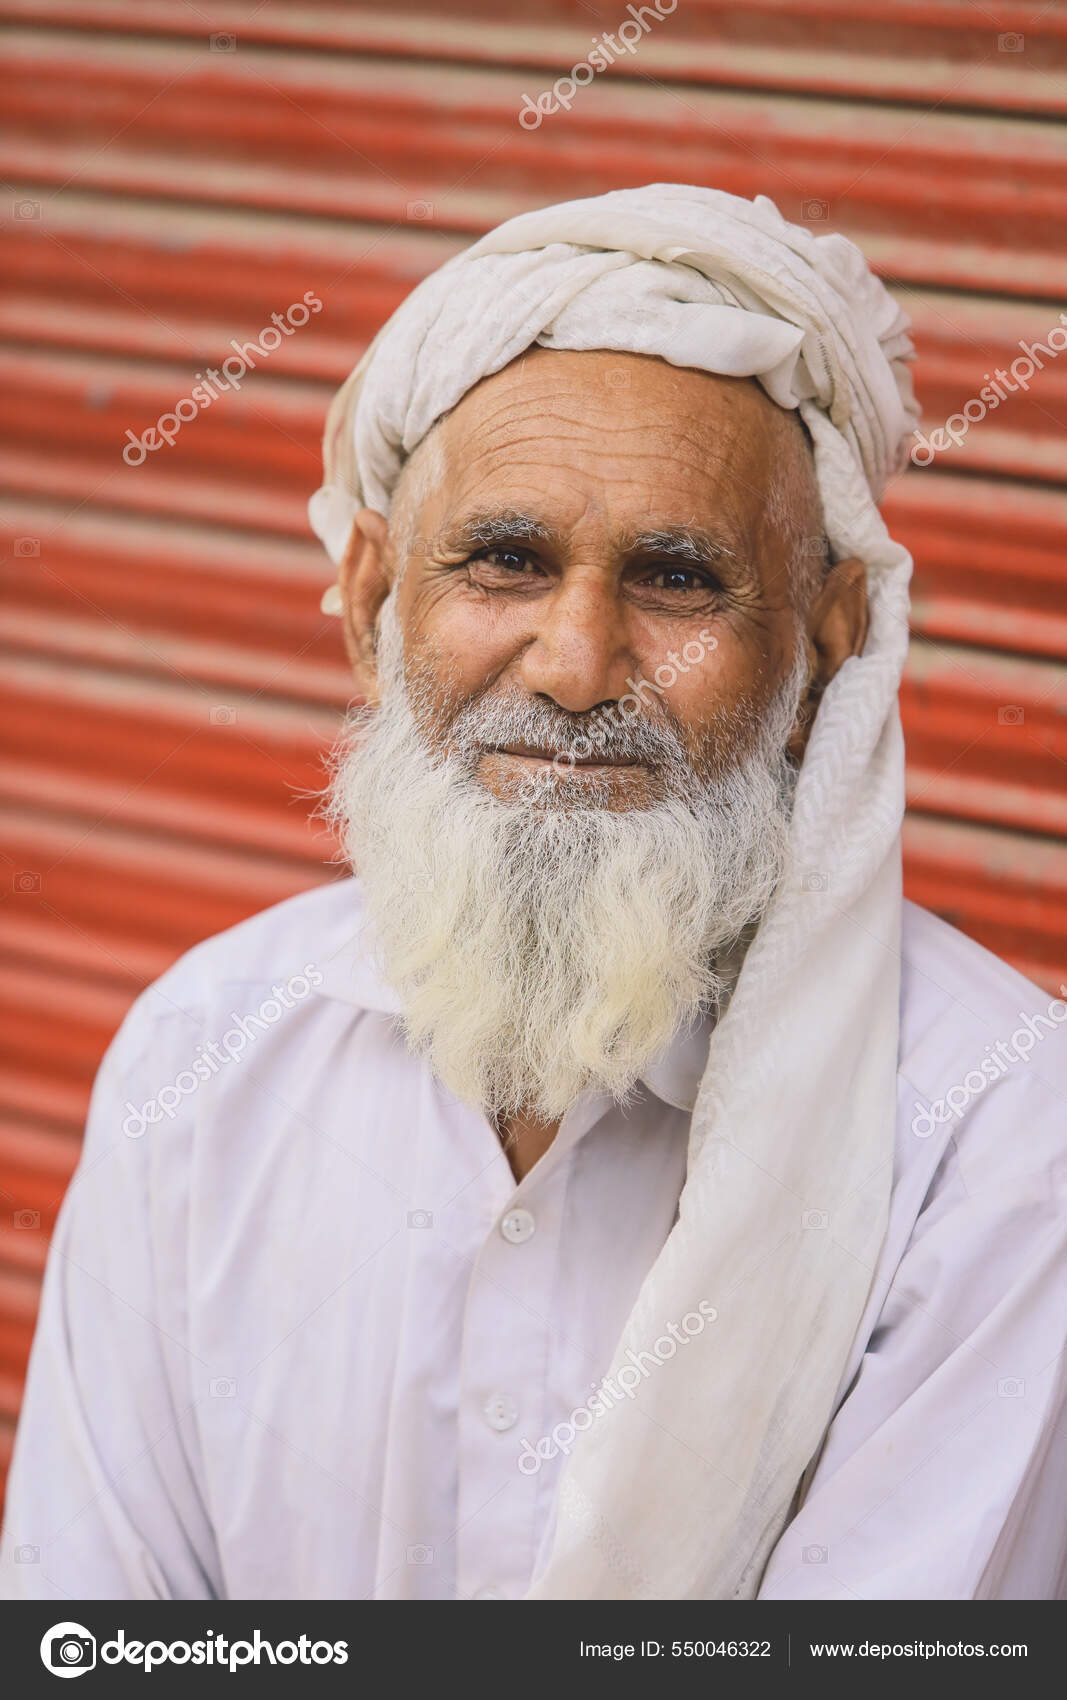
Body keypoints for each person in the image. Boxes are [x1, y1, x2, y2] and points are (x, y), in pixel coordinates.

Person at [3, 186, 1064, 1602]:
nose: (572, 665)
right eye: (505, 560)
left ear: (822, 651)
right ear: (376, 603)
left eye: (678, 580)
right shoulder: (202, 1056)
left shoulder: (996, 1133)